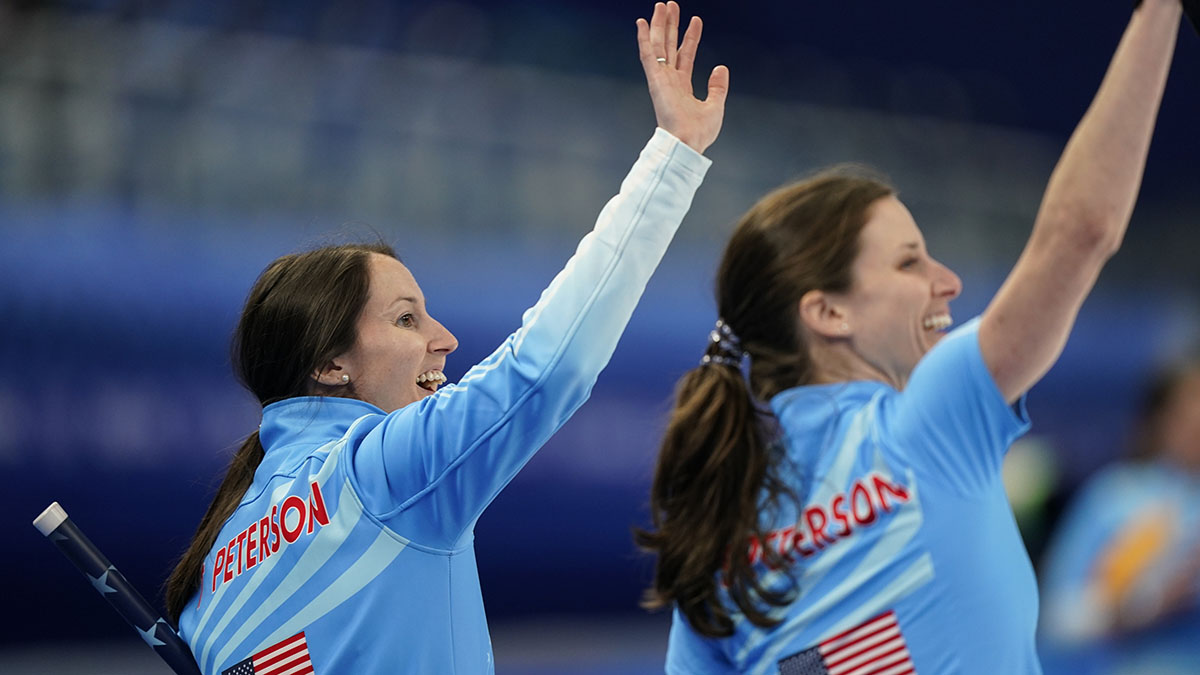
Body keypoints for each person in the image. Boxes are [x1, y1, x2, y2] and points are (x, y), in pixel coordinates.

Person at [162, 3, 728, 673]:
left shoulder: (211, 575)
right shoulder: (379, 472)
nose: (446, 339)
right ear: (329, 364)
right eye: (407, 318)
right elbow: (547, 365)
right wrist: (674, 155)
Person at [634, 1, 1184, 673]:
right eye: (909, 261)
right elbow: (1080, 234)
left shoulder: (718, 544)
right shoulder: (931, 417)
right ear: (828, 312)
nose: (947, 281)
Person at [1039, 360, 1200, 675]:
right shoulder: (1116, 496)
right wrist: (1140, 604)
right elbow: (1059, 619)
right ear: (1161, 418)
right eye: (1188, 414)